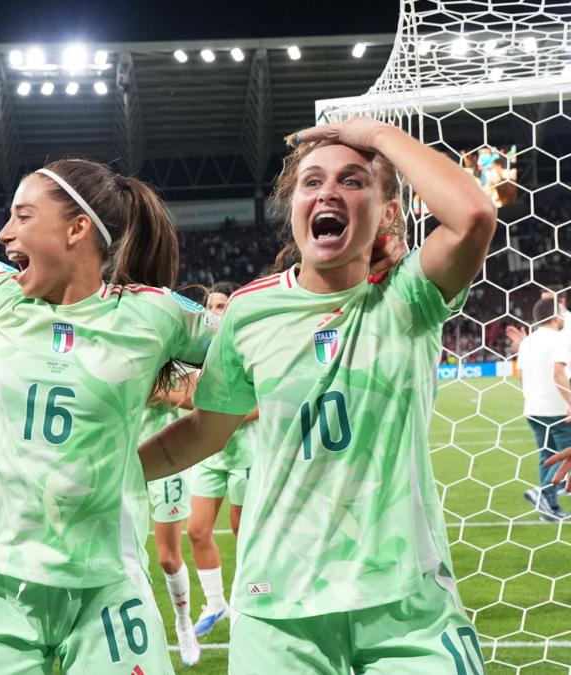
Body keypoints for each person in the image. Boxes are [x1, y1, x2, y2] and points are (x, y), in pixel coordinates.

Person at [0, 14, 221, 673]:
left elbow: (249, 368)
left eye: (22, 216)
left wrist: (160, 455)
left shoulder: (158, 315)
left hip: (108, 585)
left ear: (78, 229)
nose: (2, 234)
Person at [140, 117, 497, 673]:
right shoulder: (251, 311)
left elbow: (473, 214)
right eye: (312, 181)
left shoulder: (409, 295)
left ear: (388, 211)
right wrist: (113, 468)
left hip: (406, 604)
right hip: (278, 605)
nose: (328, 191)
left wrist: (375, 136)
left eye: (353, 181)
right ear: (293, 207)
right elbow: (206, 431)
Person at [183, 283, 257, 639]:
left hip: (245, 453)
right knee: (197, 530)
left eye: (224, 304)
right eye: (213, 305)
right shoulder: (198, 350)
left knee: (246, 535)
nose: (217, 311)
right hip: (209, 454)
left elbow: (264, 401)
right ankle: (216, 604)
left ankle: (247, 604)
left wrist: (225, 417)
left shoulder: (248, 342)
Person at [141, 384, 201, 668]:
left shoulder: (171, 345)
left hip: (165, 458)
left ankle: (183, 623)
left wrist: (160, 391)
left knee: (167, 557)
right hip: (119, 455)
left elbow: (194, 397)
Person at [516, 296, 571, 520]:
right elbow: (559, 373)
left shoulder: (527, 341)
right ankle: (542, 492)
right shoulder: (559, 338)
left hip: (533, 408)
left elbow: (521, 375)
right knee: (566, 458)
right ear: (556, 316)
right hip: (556, 407)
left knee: (547, 457)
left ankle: (548, 509)